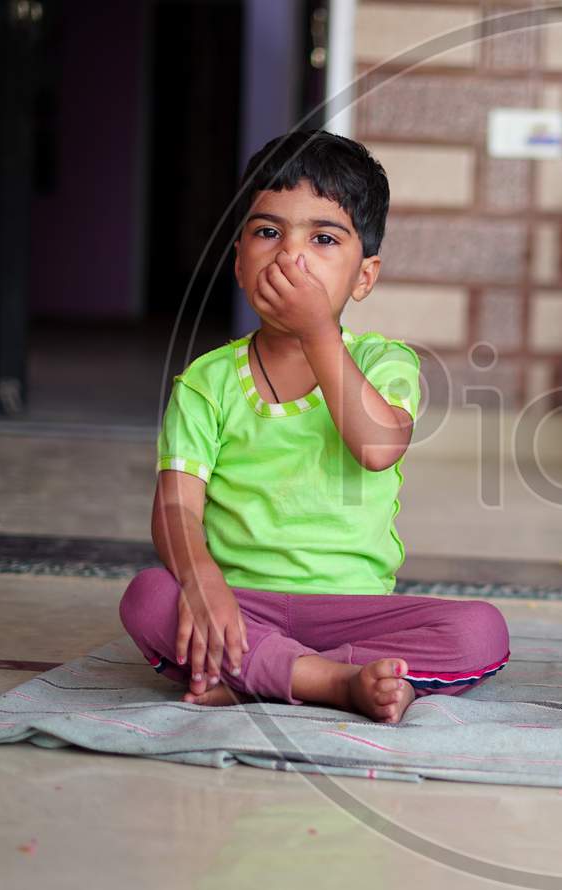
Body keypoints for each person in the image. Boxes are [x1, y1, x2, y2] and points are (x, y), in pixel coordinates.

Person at [119, 130, 509, 723]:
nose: (289, 255)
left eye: (323, 238)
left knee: (481, 629)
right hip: (240, 607)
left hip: (355, 612)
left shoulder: (386, 363)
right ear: (239, 262)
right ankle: (338, 681)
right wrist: (201, 580)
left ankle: (268, 674)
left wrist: (317, 332)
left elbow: (379, 446)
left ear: (364, 277)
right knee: (150, 598)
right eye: (268, 232)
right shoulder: (207, 382)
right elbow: (176, 510)